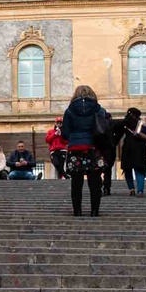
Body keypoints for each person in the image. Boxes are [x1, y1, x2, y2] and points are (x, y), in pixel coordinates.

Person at [60, 85, 106, 216]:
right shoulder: (98, 109)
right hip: (93, 147)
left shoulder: (69, 110)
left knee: (76, 182)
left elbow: (65, 133)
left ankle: (77, 211)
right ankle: (94, 211)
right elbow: (103, 128)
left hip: (75, 147)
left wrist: (74, 136)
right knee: (95, 181)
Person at [119, 108, 146, 196]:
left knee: (127, 169)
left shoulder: (125, 122)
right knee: (139, 169)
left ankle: (131, 189)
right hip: (140, 147)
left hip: (128, 147)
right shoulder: (142, 123)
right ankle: (140, 190)